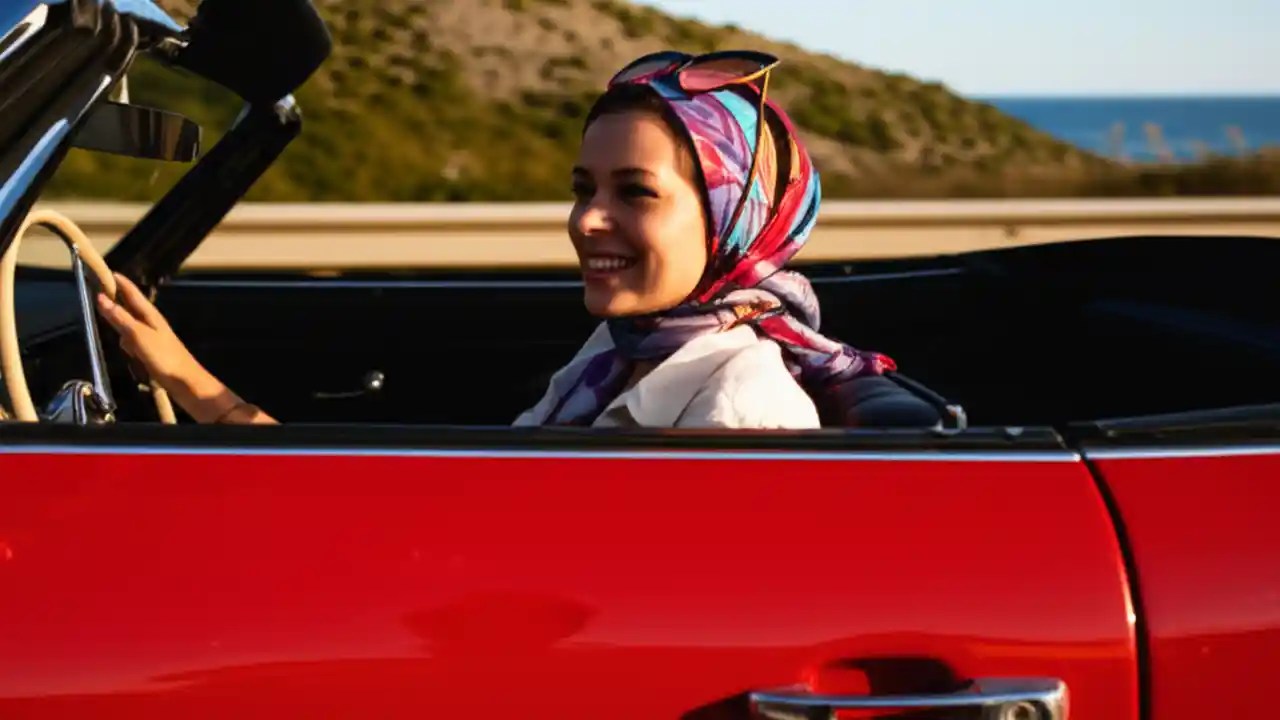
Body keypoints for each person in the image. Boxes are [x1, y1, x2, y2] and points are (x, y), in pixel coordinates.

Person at [97, 49, 899, 429]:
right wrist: (192, 384)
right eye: (583, 189)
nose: (587, 221)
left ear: (732, 225)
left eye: (636, 194)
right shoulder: (620, 354)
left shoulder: (739, 413)